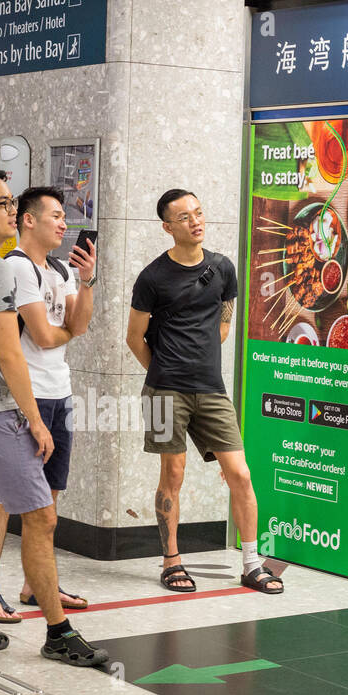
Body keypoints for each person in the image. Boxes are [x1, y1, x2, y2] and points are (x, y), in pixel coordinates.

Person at [0, 168, 107, 668]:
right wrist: (34, 419)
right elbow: (13, 354)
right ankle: (58, 634)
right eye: (3, 205)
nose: (11, 211)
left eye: (13, 203)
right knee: (41, 516)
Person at [125, 189, 281, 595]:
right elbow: (134, 338)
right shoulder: (152, 277)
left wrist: (204, 353)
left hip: (211, 389)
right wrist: (164, 372)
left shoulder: (223, 267)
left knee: (240, 473)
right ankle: (172, 560)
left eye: (199, 211)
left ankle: (252, 563)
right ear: (167, 227)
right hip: (164, 392)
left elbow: (224, 319)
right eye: (184, 217)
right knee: (172, 474)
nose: (195, 220)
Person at [0, 187, 97, 623]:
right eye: (56, 216)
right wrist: (62, 332)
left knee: (50, 497)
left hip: (59, 393)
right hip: (23, 398)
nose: (65, 225)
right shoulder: (16, 267)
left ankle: (36, 583)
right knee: (6, 501)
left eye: (65, 217)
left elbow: (78, 326)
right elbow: (44, 337)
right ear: (28, 220)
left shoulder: (60, 268)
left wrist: (87, 282)